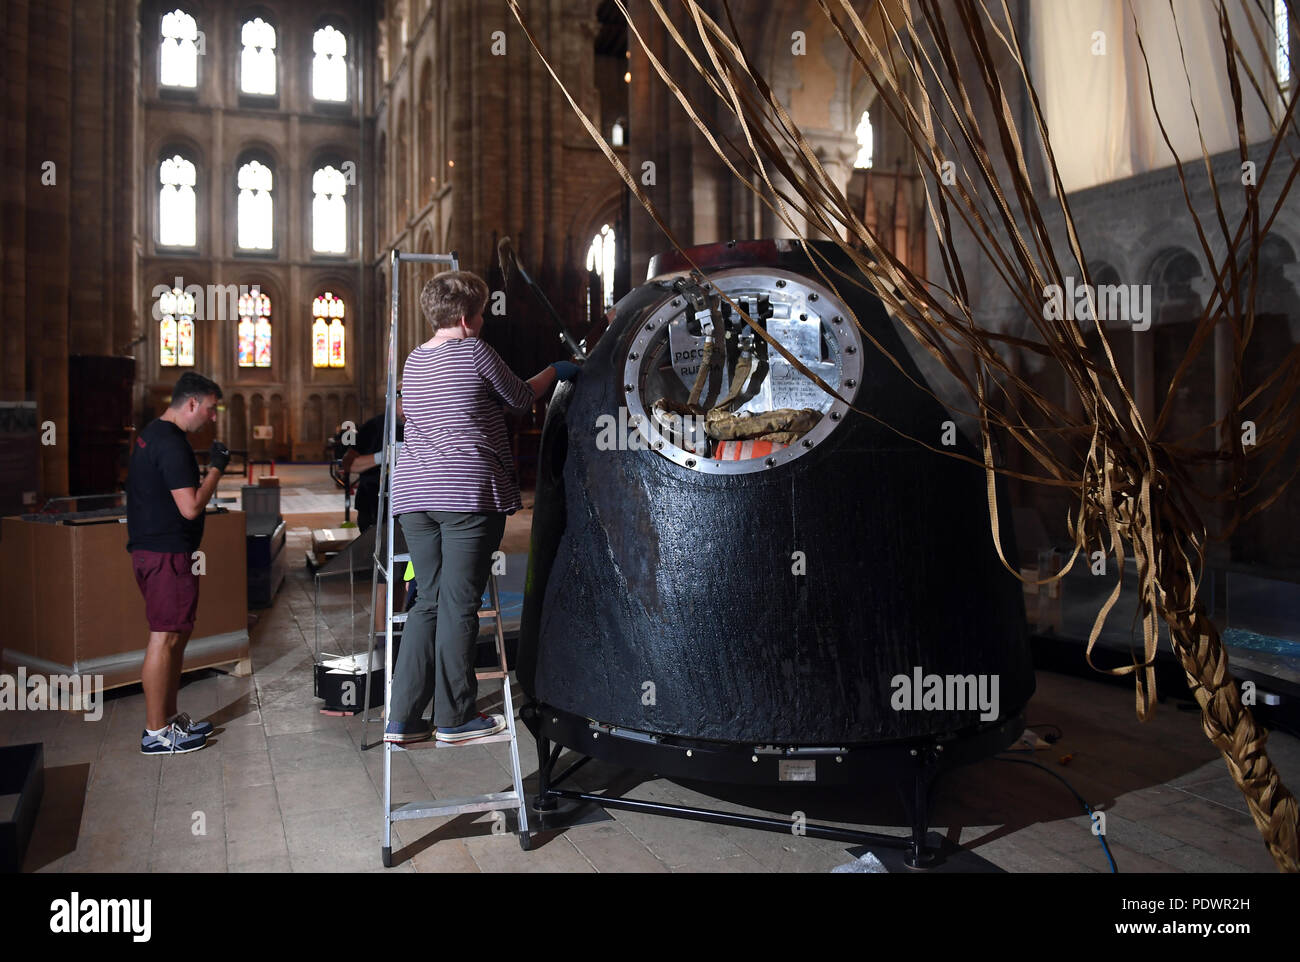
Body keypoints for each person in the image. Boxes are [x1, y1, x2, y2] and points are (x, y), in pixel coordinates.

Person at [383, 271, 579, 745]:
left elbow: (415, 415)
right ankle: (455, 716)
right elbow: (519, 397)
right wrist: (558, 370)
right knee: (459, 603)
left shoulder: (414, 359)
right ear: (469, 319)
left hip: (414, 497)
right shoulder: (473, 350)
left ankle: (403, 718)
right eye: (484, 312)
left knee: (427, 601)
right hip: (464, 493)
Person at [126, 373, 231, 754]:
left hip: (157, 550)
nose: (212, 417)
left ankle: (169, 720)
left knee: (175, 636)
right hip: (165, 554)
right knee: (165, 636)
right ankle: (156, 732)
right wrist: (217, 469)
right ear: (191, 403)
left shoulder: (152, 433)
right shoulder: (170, 444)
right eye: (210, 408)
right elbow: (189, 507)